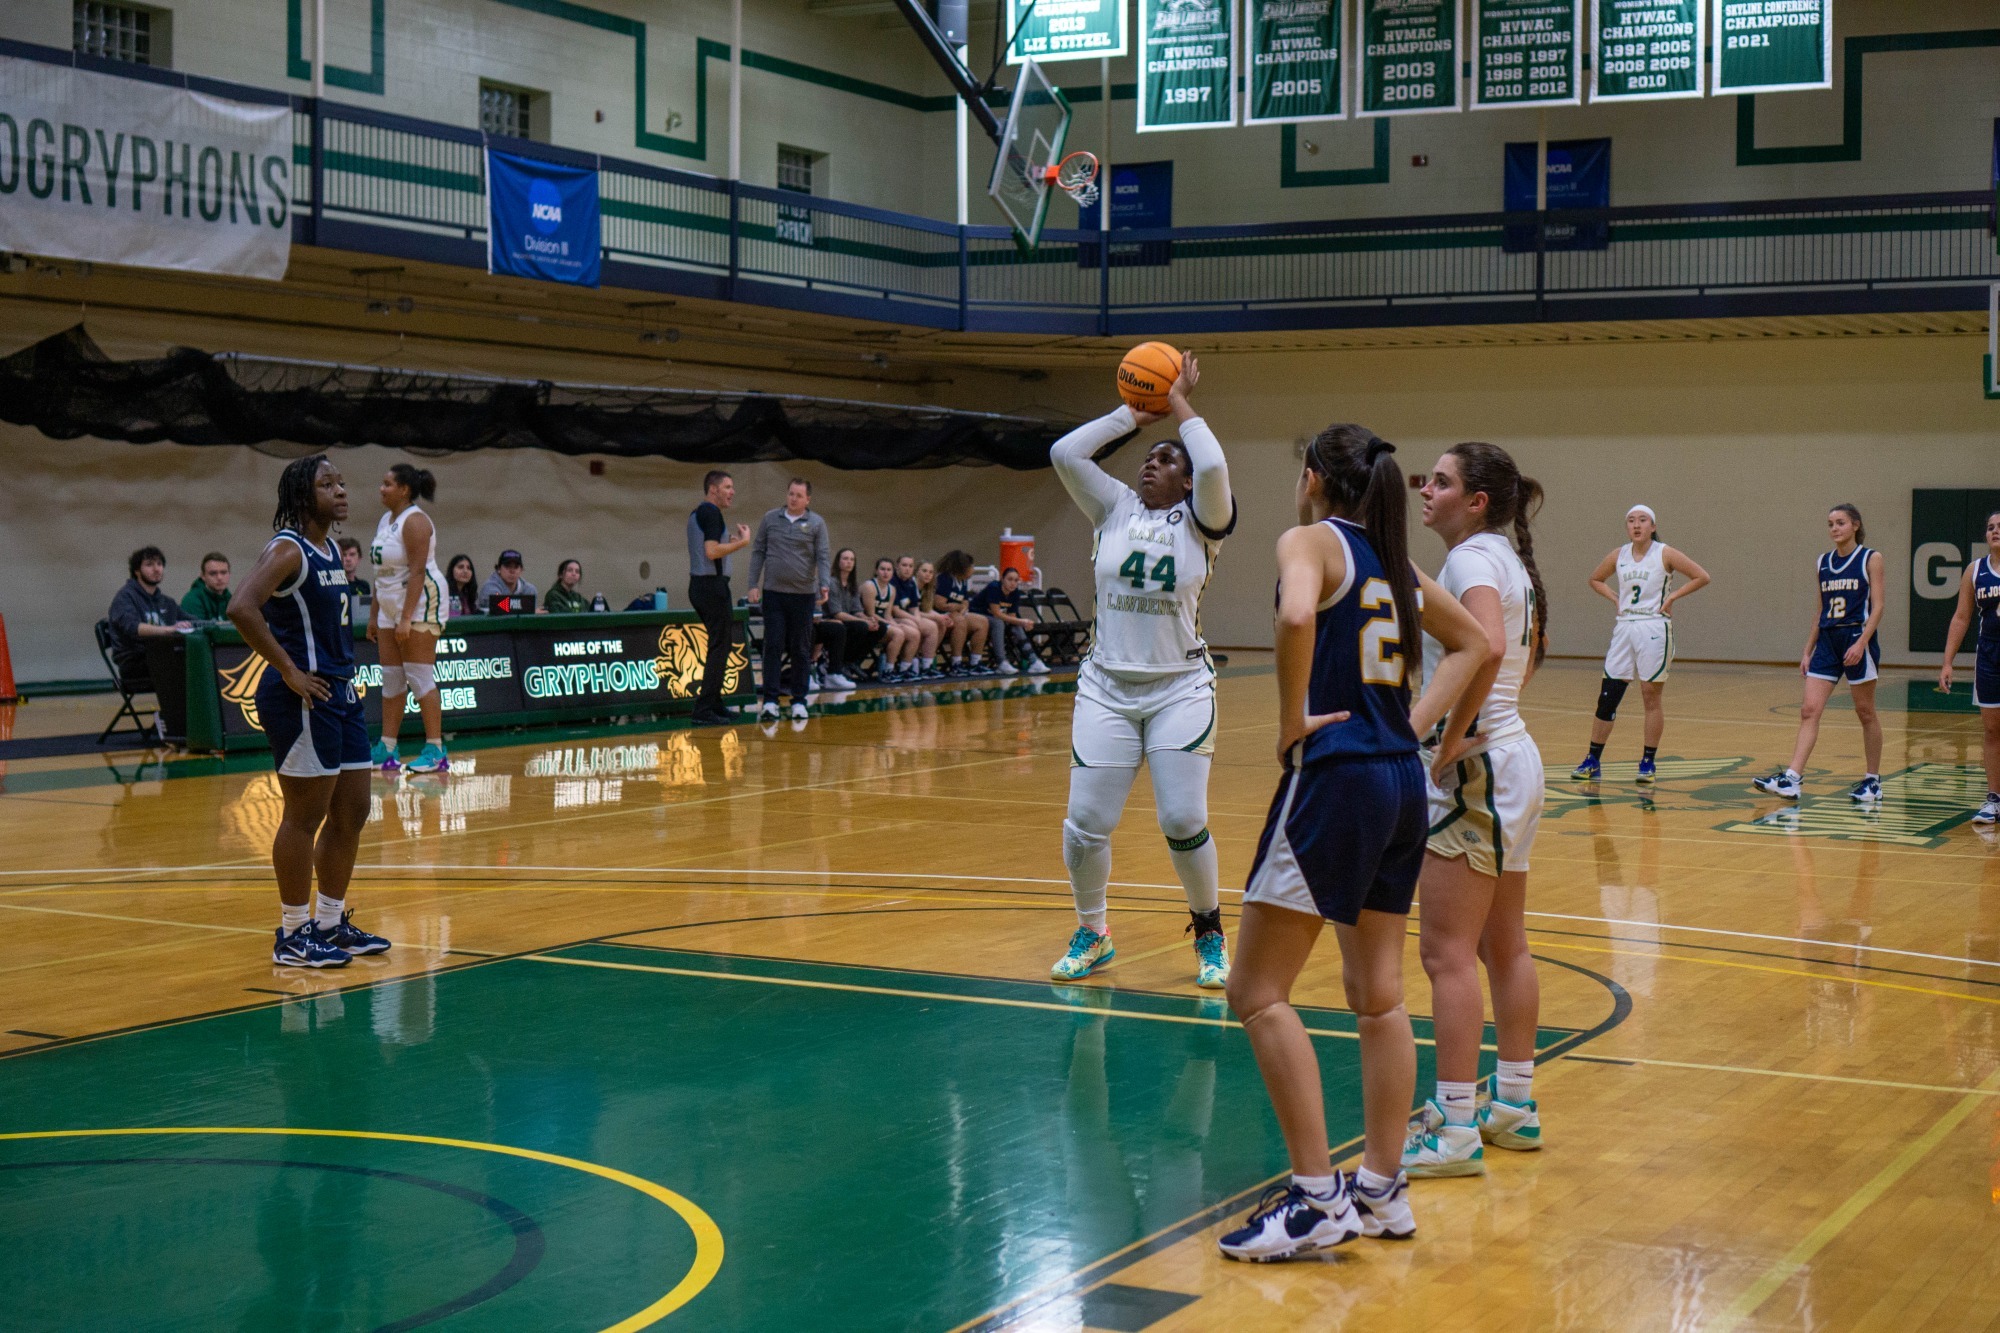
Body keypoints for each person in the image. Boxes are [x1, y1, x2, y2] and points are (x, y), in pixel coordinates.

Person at [1218, 425, 1491, 1262]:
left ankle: (1315, 1197)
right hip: (1402, 784)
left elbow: (1298, 611)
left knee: (1257, 991)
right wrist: (1416, 727)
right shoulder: (1395, 560)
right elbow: (1479, 643)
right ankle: (1381, 1187)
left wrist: (1290, 716)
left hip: (1336, 778)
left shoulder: (1309, 539)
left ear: (1312, 479)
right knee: (1377, 995)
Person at [1046, 355, 1236, 991]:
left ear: (1185, 483)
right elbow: (1066, 453)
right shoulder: (1113, 508)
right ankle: (1093, 931)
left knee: (1182, 820)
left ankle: (1209, 930)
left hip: (1179, 688)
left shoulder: (1204, 521)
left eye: (1165, 460)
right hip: (1105, 687)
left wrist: (1179, 403)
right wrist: (1133, 411)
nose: (1150, 464)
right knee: (1084, 825)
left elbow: (1211, 464)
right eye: (1147, 457)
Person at [1402, 442, 1551, 1179]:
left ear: (1477, 499)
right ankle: (1512, 1106)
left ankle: (1454, 1127)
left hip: (1479, 768)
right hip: (1514, 758)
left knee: (1446, 953)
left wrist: (1449, 736)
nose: (1424, 489)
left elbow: (1488, 645)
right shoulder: (1500, 555)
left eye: (1441, 480)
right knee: (1505, 946)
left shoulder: (1468, 560)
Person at [226, 454, 391, 969]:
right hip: (302, 697)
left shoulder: (331, 551)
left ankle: (329, 923)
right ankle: (294, 934)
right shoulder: (288, 548)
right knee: (304, 817)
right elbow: (241, 607)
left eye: (342, 482)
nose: (341, 491)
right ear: (303, 496)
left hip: (338, 694)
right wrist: (290, 671)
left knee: (353, 811)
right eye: (327, 484)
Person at [1753, 504, 1887, 804]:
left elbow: (1878, 606)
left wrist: (1862, 642)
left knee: (1865, 712)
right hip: (1827, 640)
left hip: (1856, 636)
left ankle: (1873, 781)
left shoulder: (1871, 558)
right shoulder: (1823, 562)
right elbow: (1820, 610)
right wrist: (1807, 649)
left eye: (1840, 523)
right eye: (1830, 524)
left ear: (1855, 525)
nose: (1834, 528)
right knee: (1808, 710)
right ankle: (1792, 778)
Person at [1572, 505, 1712, 784]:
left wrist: (1672, 598)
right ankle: (1592, 759)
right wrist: (1614, 598)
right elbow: (1595, 579)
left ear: (1652, 526)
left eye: (1642, 520)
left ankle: (1648, 761)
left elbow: (1701, 576)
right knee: (1608, 696)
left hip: (1653, 626)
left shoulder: (1665, 553)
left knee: (1650, 695)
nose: (1636, 525)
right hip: (1625, 627)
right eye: (1631, 521)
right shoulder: (1619, 554)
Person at [368, 464, 451, 774]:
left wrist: (405, 619)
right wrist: (375, 615)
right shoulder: (384, 521)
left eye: (387, 483)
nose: (381, 488)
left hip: (420, 603)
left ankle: (436, 749)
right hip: (391, 605)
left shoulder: (416, 521)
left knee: (418, 675)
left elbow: (417, 572)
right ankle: (387, 748)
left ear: (403, 489)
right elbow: (379, 574)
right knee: (391, 678)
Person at [747, 478, 831, 722]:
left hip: (803, 596)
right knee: (772, 646)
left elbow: (823, 556)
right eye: (791, 493)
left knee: (801, 649)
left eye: (798, 495)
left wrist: (824, 583)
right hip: (774, 594)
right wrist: (753, 584)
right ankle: (770, 701)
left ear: (808, 500)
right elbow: (758, 550)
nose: (793, 498)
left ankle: (799, 701)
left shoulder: (817, 523)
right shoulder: (770, 518)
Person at [1938, 507, 2000, 825]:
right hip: (1989, 657)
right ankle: (1993, 799)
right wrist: (1947, 662)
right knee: (1991, 729)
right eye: (1990, 527)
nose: (1995, 530)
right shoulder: (1975, 571)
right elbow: (1961, 618)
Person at [687, 470, 754, 725]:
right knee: (719, 647)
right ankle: (703, 710)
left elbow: (711, 549)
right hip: (710, 588)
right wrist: (742, 543)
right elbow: (712, 551)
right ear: (713, 490)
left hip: (703, 586)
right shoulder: (711, 512)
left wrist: (730, 542)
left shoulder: (701, 513)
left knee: (721, 646)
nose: (732, 492)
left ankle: (714, 704)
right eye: (727, 486)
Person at [107, 546, 192, 689]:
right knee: (181, 665)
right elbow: (133, 627)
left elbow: (193, 620)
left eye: (159, 564)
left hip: (162, 656)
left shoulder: (166, 602)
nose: (156, 569)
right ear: (137, 571)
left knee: (196, 660)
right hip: (134, 662)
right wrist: (169, 629)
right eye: (149, 565)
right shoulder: (125, 597)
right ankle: (170, 712)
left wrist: (220, 623)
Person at [825, 549, 887, 680]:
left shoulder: (853, 584)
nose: (849, 562)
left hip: (850, 621)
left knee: (880, 627)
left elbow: (857, 610)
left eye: (852, 559)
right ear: (838, 561)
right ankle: (841, 663)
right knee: (861, 627)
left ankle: (851, 662)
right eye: (845, 559)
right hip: (834, 622)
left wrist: (868, 619)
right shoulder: (832, 582)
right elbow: (837, 614)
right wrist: (863, 622)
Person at [970, 567, 1038, 676]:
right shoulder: (994, 588)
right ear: (1002, 579)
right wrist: (1021, 621)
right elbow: (996, 613)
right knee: (999, 623)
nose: (1013, 583)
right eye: (1010, 579)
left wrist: (1021, 623)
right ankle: (1001, 662)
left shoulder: (1015, 593)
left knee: (1016, 625)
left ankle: (1033, 660)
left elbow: (1012, 616)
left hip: (993, 617)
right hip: (977, 615)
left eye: (1016, 580)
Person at [933, 551, 991, 674]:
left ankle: (975, 662)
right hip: (940, 616)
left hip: (957, 614)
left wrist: (964, 605)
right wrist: (957, 607)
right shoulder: (944, 579)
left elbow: (964, 599)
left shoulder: (963, 580)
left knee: (983, 622)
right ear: (963, 568)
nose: (973, 569)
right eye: (972, 567)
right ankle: (956, 663)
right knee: (960, 621)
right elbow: (939, 604)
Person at [867, 557, 920, 678]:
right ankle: (888, 670)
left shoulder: (892, 589)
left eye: (888, 570)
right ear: (876, 571)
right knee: (899, 633)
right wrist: (891, 625)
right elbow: (870, 614)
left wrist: (894, 624)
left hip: (883, 622)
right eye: (882, 569)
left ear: (892, 571)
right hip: (871, 623)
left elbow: (887, 614)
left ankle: (904, 669)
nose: (886, 572)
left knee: (914, 634)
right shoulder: (869, 586)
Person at [892, 554, 943, 677]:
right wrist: (915, 620)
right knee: (920, 626)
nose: (907, 569)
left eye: (910, 566)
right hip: (894, 618)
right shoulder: (893, 582)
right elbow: (895, 611)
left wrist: (918, 620)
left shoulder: (910, 583)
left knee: (932, 626)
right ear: (897, 566)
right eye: (904, 565)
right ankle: (905, 667)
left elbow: (914, 608)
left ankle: (926, 666)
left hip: (906, 616)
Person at [182, 553, 233, 621]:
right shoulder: (192, 600)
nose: (219, 577)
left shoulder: (231, 599)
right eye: (213, 573)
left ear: (229, 574)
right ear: (203, 576)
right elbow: (197, 630)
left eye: (223, 572)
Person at [336, 537, 373, 628]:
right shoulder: (333, 585)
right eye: (344, 555)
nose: (348, 559)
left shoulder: (364, 586)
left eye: (352, 554)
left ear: (359, 558)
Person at [443, 554, 481, 619]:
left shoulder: (467, 593)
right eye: (460, 567)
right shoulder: (444, 591)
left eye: (468, 568)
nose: (465, 571)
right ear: (452, 571)